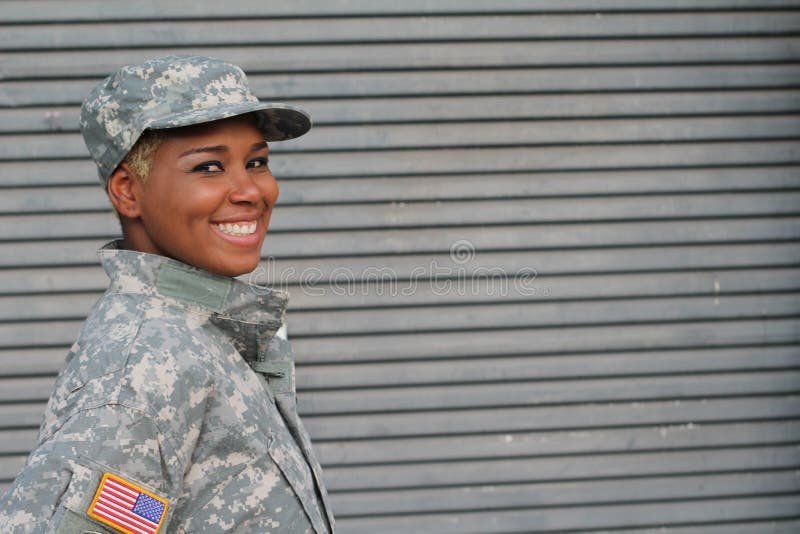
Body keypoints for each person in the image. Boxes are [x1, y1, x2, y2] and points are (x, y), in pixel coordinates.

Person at [0, 55, 335, 533]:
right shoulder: (144, 370)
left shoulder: (207, 331)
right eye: (210, 167)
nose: (250, 190)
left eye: (257, 162)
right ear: (127, 192)